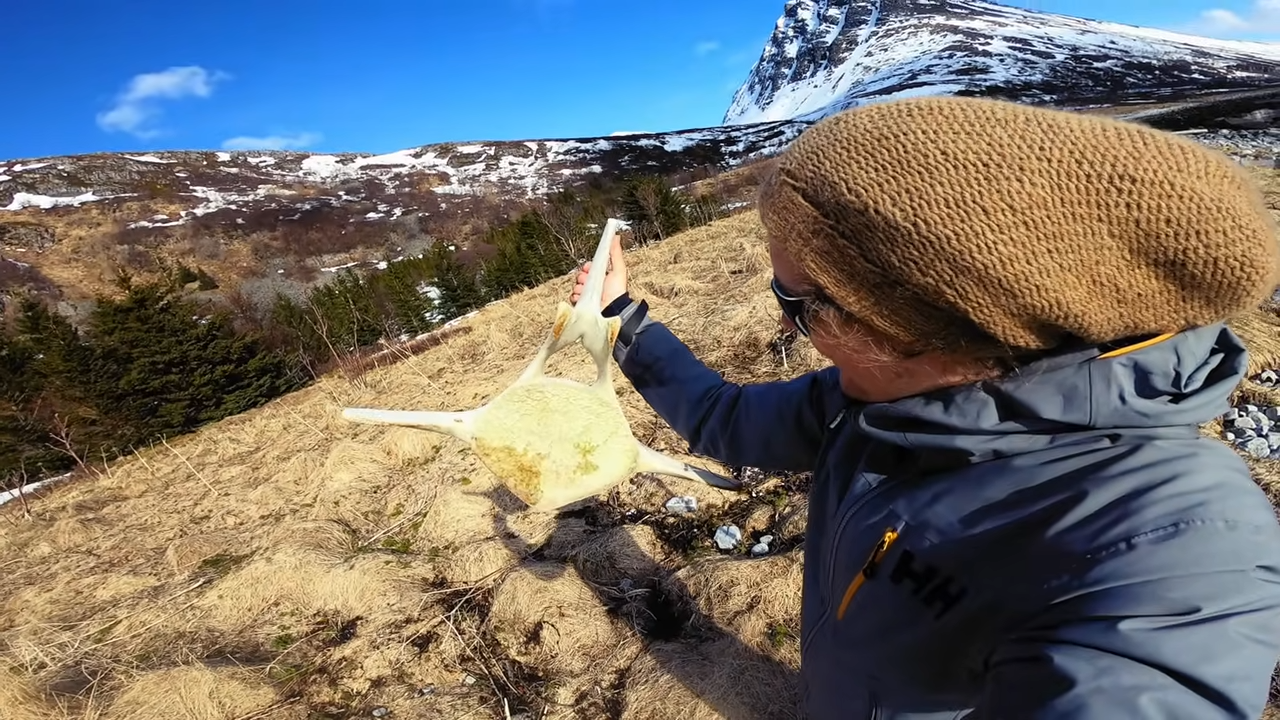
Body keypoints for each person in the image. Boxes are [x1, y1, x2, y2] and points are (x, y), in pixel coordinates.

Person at [570, 96, 1280, 719]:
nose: (786, 327)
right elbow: (727, 420)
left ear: (927, 322)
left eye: (801, 304)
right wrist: (621, 320)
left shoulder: (1176, 545)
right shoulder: (877, 395)